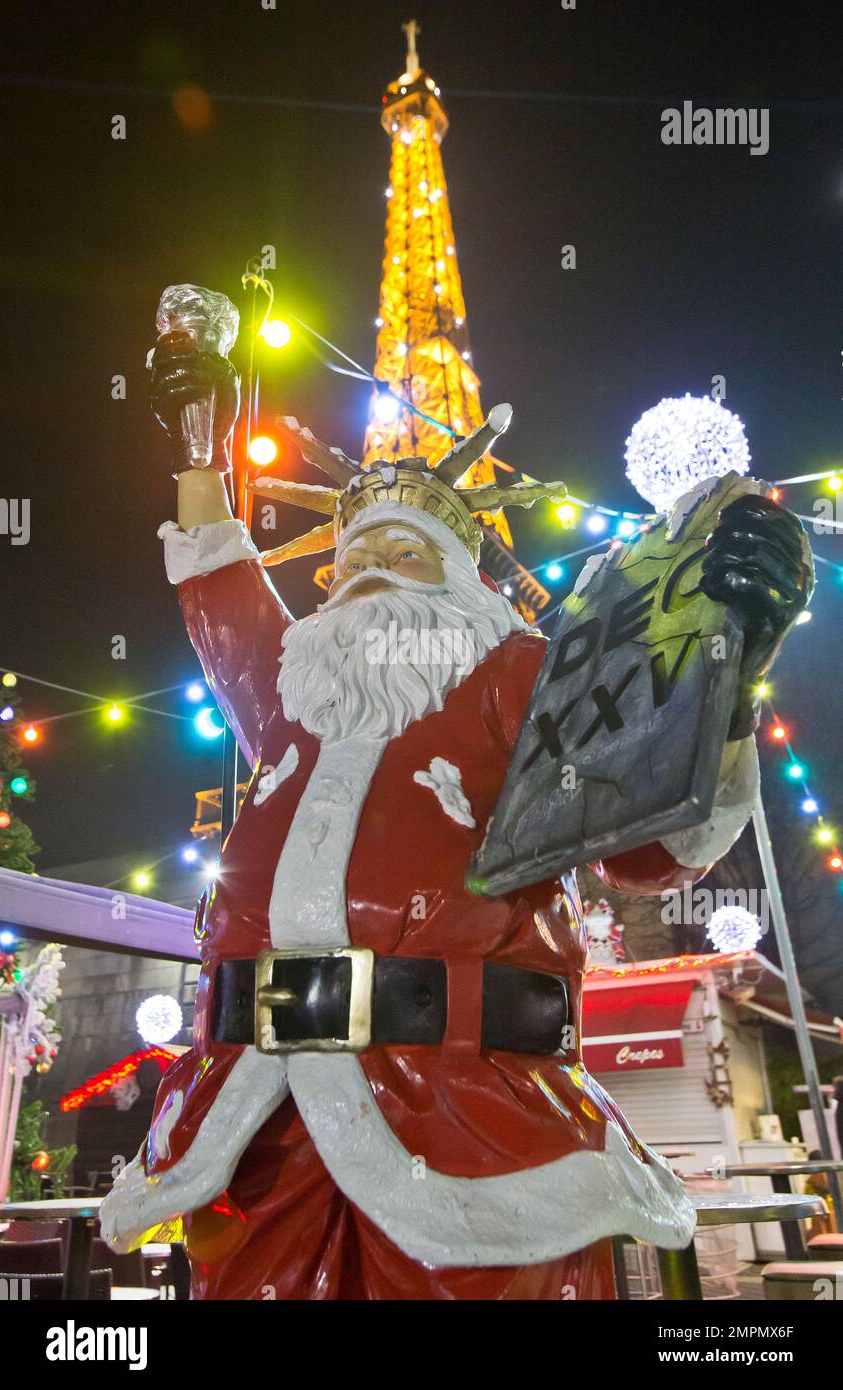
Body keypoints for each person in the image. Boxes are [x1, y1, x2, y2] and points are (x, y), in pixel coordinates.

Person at [101, 336, 814, 1299]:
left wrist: (727, 656)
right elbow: (215, 585)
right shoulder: (290, 690)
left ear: (464, 583)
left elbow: (645, 834)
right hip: (255, 1122)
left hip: (475, 1110)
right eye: (356, 560)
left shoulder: (521, 673)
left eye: (406, 554)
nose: (372, 574)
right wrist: (199, 449)